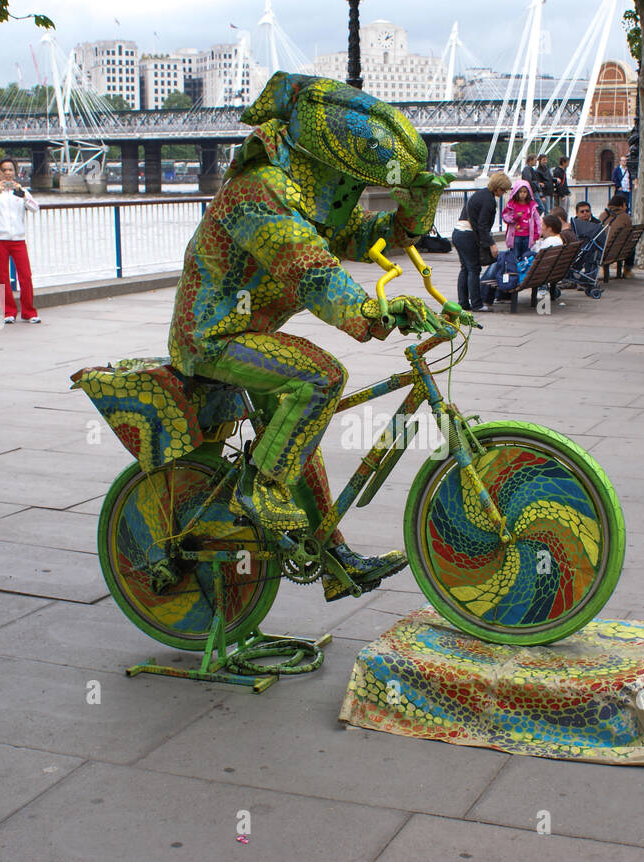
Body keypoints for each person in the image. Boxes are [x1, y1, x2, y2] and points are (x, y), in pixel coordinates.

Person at [167, 73, 449, 600]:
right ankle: (263, 488)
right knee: (322, 377)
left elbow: (360, 238)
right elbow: (311, 269)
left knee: (299, 439)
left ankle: (334, 559)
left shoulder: (307, 198)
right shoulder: (259, 192)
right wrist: (368, 310)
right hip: (210, 337)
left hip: (249, 333)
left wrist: (414, 208)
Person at [0, 158, 40, 324]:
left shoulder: (21, 191)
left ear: (15, 172)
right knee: (3, 277)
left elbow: (35, 208)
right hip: (0, 239)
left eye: (10, 170)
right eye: (4, 170)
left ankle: (28, 312)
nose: (7, 173)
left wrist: (22, 193)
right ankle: (8, 312)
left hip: (18, 240)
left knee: (25, 276)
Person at [452, 171, 509, 313]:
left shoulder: (480, 194)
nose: (503, 193)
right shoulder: (489, 200)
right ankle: (477, 304)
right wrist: (491, 244)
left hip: (458, 232)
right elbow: (482, 225)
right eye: (503, 189)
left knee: (465, 268)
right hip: (468, 235)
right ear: (497, 187)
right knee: (473, 269)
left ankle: (463, 302)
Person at [501, 180, 541, 258]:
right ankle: (514, 269)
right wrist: (515, 216)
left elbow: (537, 221)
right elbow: (505, 217)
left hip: (528, 236)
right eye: (520, 192)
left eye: (525, 192)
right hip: (515, 236)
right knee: (514, 256)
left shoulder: (532, 206)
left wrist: (537, 234)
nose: (522, 194)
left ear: (528, 193)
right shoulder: (511, 205)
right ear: (516, 192)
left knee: (526, 256)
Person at [599, 193, 635, 278]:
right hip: (618, 252)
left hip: (601, 252)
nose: (626, 207)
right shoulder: (625, 217)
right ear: (622, 205)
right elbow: (629, 236)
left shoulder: (602, 215)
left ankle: (604, 270)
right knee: (631, 246)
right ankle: (627, 270)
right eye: (625, 205)